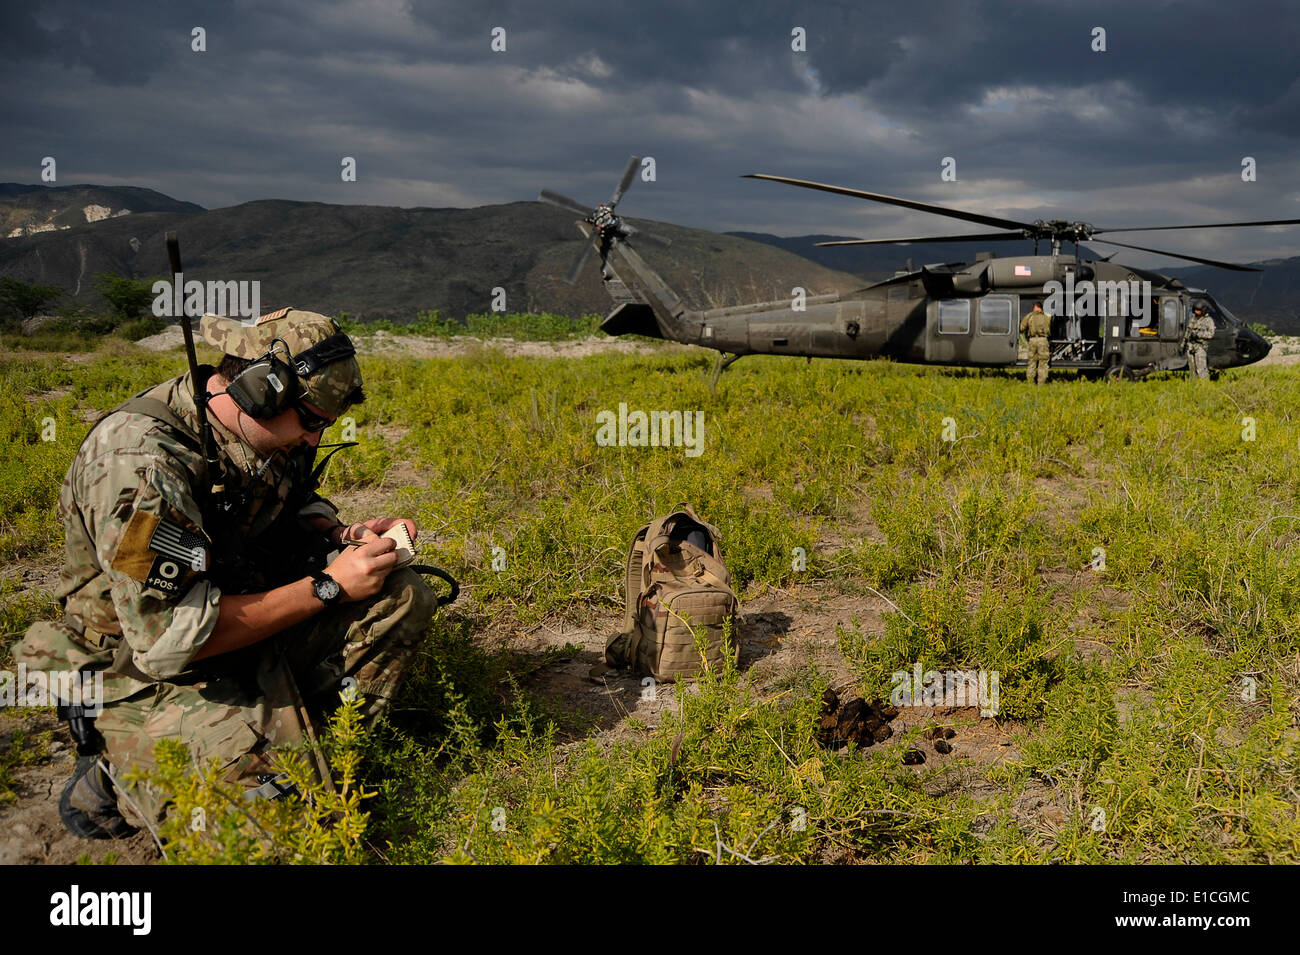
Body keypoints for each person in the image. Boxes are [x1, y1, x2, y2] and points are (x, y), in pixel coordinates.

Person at [16, 308, 437, 838]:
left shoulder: (259, 432)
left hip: (237, 614)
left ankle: (311, 753)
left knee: (401, 596)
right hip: (142, 665)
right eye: (311, 421)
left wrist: (338, 534)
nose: (312, 440)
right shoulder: (140, 465)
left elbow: (288, 502)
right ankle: (115, 771)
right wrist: (329, 586)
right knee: (275, 832)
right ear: (259, 391)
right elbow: (169, 641)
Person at [1020, 301, 1052, 385]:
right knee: (1043, 363)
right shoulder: (1048, 317)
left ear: (1035, 307)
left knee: (1031, 362)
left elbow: (1021, 328)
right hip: (1043, 340)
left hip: (1032, 340)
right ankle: (1041, 384)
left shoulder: (1029, 316)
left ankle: (1030, 383)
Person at [1184, 301, 1217, 380]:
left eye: (1198, 310)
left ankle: (1203, 385)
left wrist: (1199, 335)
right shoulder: (1193, 319)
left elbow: (1211, 334)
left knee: (1201, 369)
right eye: (1195, 310)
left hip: (1200, 347)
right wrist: (1183, 344)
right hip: (1190, 346)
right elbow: (1188, 332)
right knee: (1192, 369)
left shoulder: (1208, 320)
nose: (1196, 312)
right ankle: (1193, 385)